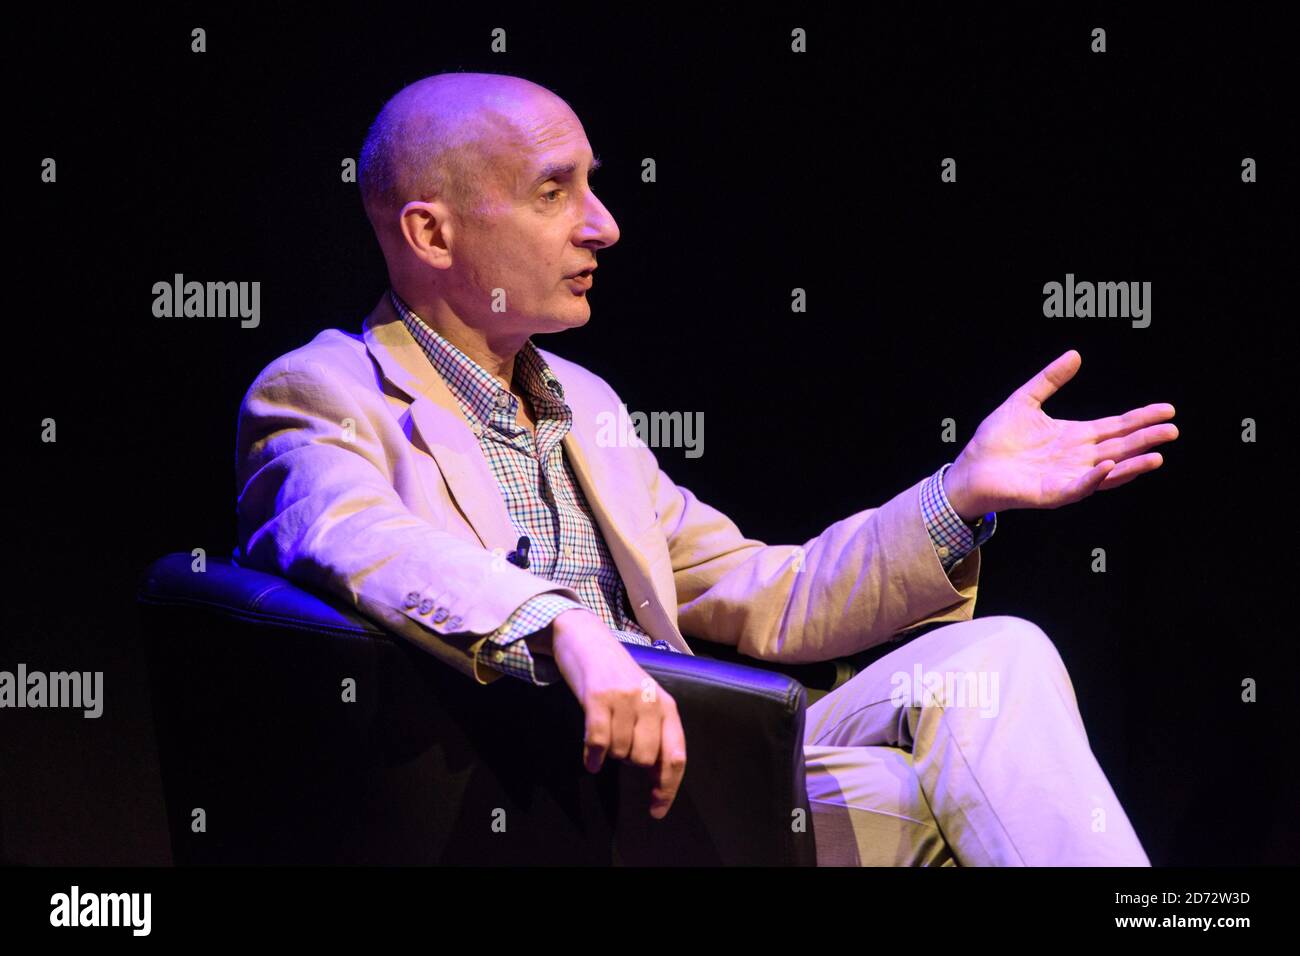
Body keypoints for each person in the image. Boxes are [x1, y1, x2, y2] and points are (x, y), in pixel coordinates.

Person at [234, 71, 1178, 865]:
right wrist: (560, 625)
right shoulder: (320, 393)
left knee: (995, 656)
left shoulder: (587, 404)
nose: (603, 226)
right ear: (432, 235)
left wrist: (957, 493)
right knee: (926, 788)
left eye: (593, 186)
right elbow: (352, 537)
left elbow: (769, 592)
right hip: (534, 794)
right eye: (554, 191)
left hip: (700, 759)